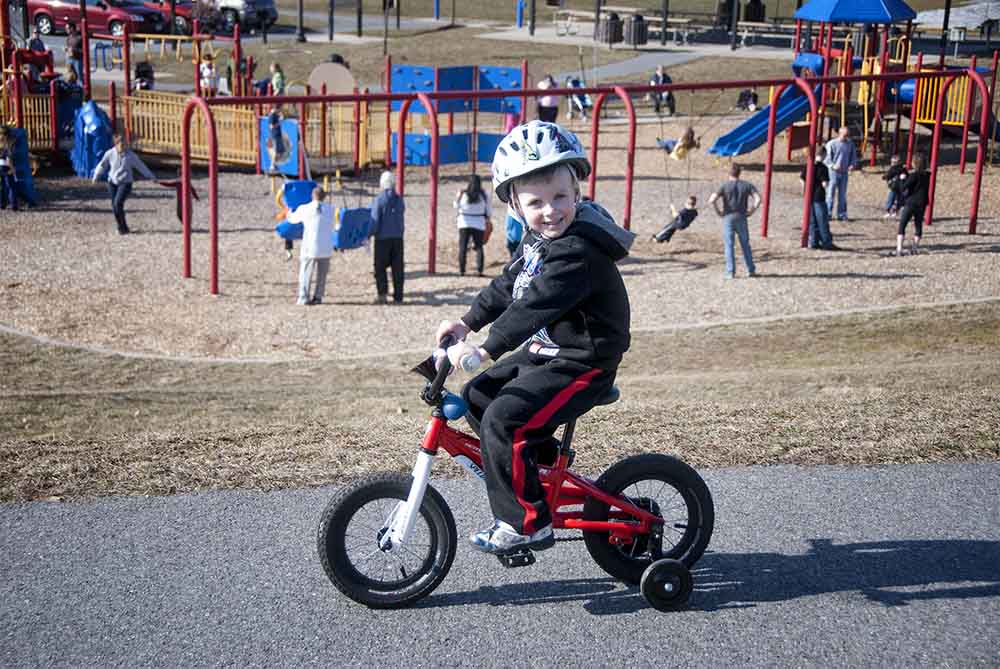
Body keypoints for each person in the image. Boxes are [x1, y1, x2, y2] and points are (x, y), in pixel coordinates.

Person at [434, 120, 635, 554]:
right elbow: (508, 286)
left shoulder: (577, 251)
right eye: (536, 202)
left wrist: (486, 348)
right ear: (516, 207)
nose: (551, 210)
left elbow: (533, 306)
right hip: (549, 354)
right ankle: (538, 479)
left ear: (577, 192)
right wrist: (467, 323)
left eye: (560, 197)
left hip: (584, 363)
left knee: (504, 420)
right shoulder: (537, 242)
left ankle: (526, 522)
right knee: (478, 396)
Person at [91, 134, 158, 235]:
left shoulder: (130, 155)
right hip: (112, 182)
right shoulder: (110, 153)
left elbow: (141, 166)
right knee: (115, 206)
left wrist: (151, 176)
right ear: (116, 144)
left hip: (125, 182)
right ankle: (122, 227)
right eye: (121, 145)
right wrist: (96, 176)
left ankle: (122, 228)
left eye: (125, 144)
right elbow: (102, 164)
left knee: (118, 203)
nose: (123, 147)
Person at [708, 164, 760, 279]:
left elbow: (712, 200)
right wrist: (751, 211)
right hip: (742, 216)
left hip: (728, 217)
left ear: (729, 173)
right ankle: (751, 270)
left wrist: (718, 211)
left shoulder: (724, 186)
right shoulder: (747, 185)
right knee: (745, 244)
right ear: (739, 173)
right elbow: (758, 198)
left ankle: (730, 272)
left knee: (729, 245)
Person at [287, 187, 335, 305]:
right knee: (322, 275)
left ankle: (303, 297)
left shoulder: (305, 208)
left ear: (312, 196)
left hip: (310, 246)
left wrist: (288, 211)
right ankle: (318, 297)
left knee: (305, 272)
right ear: (324, 197)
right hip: (326, 247)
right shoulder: (331, 209)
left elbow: (292, 219)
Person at [369, 170, 405, 304]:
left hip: (382, 239)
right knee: (398, 268)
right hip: (398, 238)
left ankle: (382, 294)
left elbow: (375, 220)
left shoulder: (379, 200)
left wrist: (369, 234)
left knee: (380, 267)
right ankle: (398, 295)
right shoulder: (399, 200)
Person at [893, 153, 931, 257]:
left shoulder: (914, 175)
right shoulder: (927, 175)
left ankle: (899, 249)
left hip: (911, 202)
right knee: (918, 225)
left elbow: (903, 188)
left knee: (902, 224)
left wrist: (902, 179)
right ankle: (914, 248)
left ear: (914, 163)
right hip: (922, 203)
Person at [454, 174, 492, 276]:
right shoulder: (484, 194)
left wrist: (458, 196)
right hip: (479, 223)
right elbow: (488, 210)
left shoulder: (463, 193)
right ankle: (480, 270)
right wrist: (488, 218)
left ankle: (462, 270)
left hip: (464, 222)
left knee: (463, 246)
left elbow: (456, 206)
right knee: (479, 247)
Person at [799, 146, 836, 250]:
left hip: (808, 197)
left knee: (812, 221)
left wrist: (804, 189)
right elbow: (825, 184)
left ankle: (813, 242)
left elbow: (801, 179)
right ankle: (826, 242)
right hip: (819, 196)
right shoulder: (823, 168)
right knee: (822, 220)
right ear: (823, 154)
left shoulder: (808, 165)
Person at [824, 126, 860, 222]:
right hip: (833, 172)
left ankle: (842, 214)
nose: (846, 137)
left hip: (844, 172)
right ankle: (828, 213)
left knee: (842, 194)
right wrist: (833, 166)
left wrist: (852, 165)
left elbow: (853, 157)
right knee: (830, 193)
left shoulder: (850, 144)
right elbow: (826, 159)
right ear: (840, 134)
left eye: (847, 135)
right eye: (845, 135)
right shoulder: (832, 144)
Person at [0, 127, 20, 211]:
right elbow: (9, 159)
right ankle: (14, 205)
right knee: (11, 186)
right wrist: (12, 169)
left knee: (2, 186)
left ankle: (2, 204)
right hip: (6, 166)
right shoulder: (8, 145)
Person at [882, 154, 907, 218]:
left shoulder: (895, 169)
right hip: (897, 187)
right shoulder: (901, 169)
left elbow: (888, 175)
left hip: (896, 187)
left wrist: (885, 177)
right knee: (894, 199)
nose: (892, 163)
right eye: (892, 162)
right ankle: (892, 211)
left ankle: (892, 211)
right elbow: (888, 175)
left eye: (893, 162)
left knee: (893, 199)